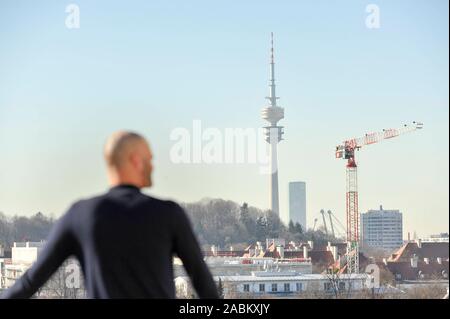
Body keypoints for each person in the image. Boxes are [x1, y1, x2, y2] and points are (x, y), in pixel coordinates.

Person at [1, 131, 218, 299]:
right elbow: (203, 281)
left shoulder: (80, 215)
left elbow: (30, 282)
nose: (152, 165)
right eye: (149, 159)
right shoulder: (169, 214)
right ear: (135, 160)